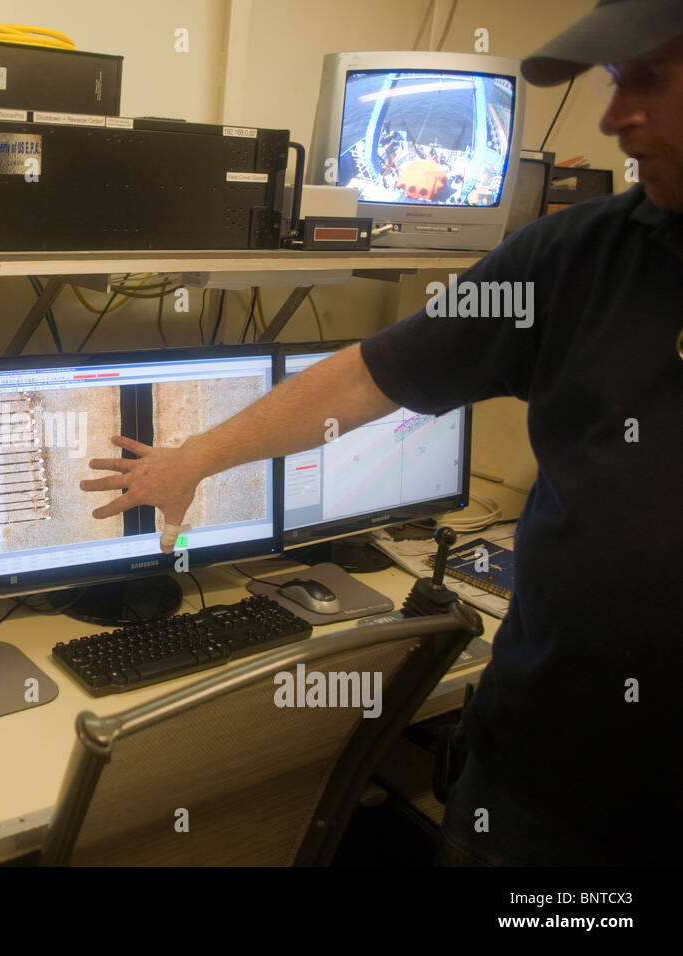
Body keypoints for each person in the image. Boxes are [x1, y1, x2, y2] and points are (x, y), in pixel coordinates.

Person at [80, 0, 683, 866]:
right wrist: (197, 459)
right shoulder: (576, 258)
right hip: (536, 791)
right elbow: (371, 374)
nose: (614, 116)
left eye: (649, 80)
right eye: (616, 81)